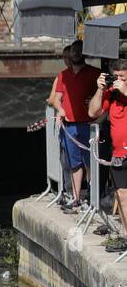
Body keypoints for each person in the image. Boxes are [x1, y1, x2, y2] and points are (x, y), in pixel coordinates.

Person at [47, 41, 100, 211]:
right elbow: (55, 98)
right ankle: (76, 198)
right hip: (69, 126)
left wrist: (93, 99)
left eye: (79, 50)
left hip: (88, 125)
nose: (76, 53)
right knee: (74, 163)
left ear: (85, 53)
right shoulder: (63, 75)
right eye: (74, 50)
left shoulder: (95, 73)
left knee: (90, 162)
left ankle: (93, 198)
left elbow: (103, 96)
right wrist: (61, 110)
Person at [90, 57, 127, 250]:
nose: (118, 80)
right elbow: (92, 112)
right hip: (119, 153)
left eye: (122, 76)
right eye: (115, 77)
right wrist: (100, 89)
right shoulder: (111, 94)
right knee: (121, 195)